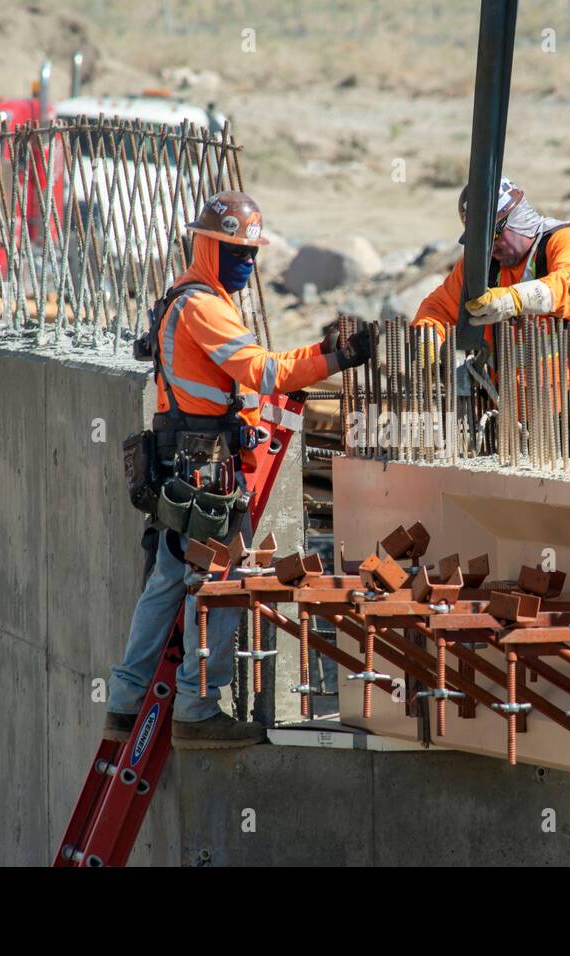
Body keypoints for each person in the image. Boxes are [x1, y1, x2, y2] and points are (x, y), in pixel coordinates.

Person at [105, 190, 371, 748]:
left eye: (253, 253)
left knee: (171, 580)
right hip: (203, 473)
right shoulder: (201, 304)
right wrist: (333, 357)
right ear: (208, 246)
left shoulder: (196, 296)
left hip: (194, 465)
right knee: (218, 583)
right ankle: (198, 707)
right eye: (237, 251)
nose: (247, 262)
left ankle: (127, 701)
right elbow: (260, 371)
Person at [411, 176, 570, 360]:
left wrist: (515, 299)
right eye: (480, 241)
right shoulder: (482, 266)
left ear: (517, 219)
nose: (488, 248)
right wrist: (427, 343)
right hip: (510, 397)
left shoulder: (567, 241)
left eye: (493, 236)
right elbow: (437, 309)